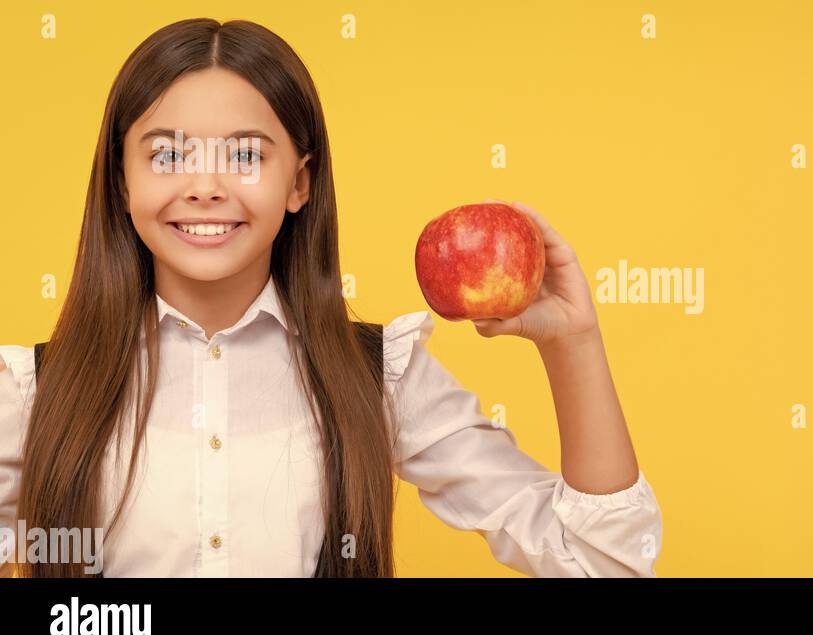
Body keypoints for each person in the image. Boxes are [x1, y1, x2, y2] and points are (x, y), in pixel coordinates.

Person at [0, 18, 661, 578]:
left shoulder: (378, 377)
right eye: (167, 155)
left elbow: (600, 560)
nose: (204, 186)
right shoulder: (34, 391)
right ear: (120, 181)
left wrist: (571, 342)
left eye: (245, 155)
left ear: (300, 182)